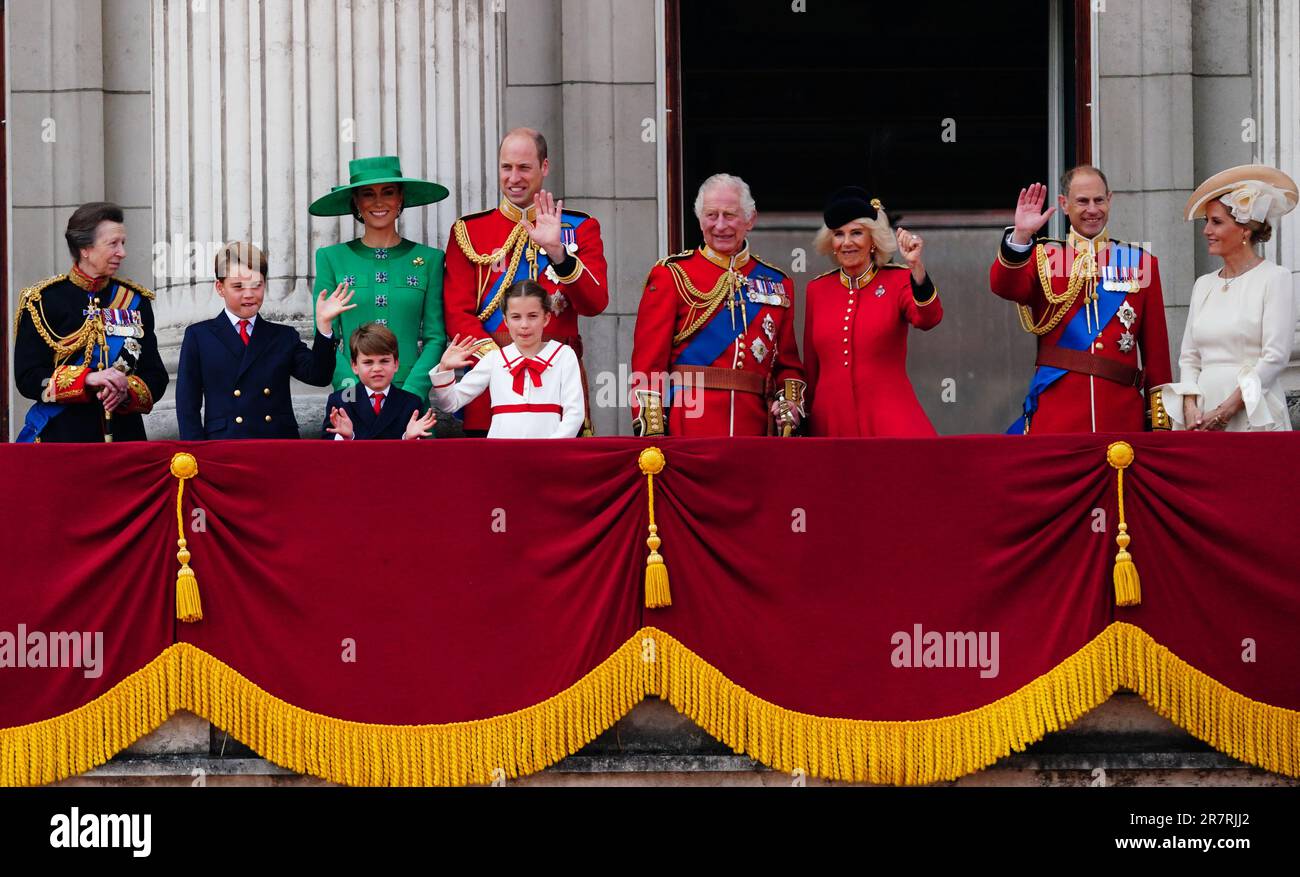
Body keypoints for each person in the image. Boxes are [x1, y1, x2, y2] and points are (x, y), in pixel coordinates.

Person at [442, 127, 608, 435]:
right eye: (507, 167)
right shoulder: (469, 232)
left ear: (544, 167)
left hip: (559, 382)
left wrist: (559, 253)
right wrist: (503, 363)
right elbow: (456, 313)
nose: (514, 177)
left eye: (524, 167)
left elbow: (596, 304)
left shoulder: (579, 227)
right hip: (491, 388)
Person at [989, 166, 1173, 433]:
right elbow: (1004, 286)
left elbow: (1156, 350)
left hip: (1121, 418)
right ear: (1064, 204)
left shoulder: (1140, 262)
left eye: (1099, 200)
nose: (1092, 209)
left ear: (1110, 200)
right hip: (1058, 418)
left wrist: (1158, 421)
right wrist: (1021, 237)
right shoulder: (1043, 257)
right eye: (1082, 201)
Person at [630, 173, 804, 436]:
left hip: (753, 429)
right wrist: (654, 433)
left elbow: (788, 365)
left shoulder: (778, 283)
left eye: (730, 215)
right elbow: (648, 364)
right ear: (700, 220)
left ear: (750, 219)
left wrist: (790, 407)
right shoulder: (672, 275)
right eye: (711, 215)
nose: (720, 225)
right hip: (688, 427)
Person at [13, 201, 168, 442]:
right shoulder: (43, 300)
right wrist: (86, 379)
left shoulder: (135, 301)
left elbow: (156, 376)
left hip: (124, 438)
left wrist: (125, 390)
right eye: (113, 244)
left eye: (123, 243)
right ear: (85, 248)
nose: (122, 252)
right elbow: (28, 378)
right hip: (64, 439)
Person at [1164, 164, 1298, 431]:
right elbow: (1189, 357)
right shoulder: (1204, 285)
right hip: (1203, 414)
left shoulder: (1275, 278)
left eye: (1216, 222)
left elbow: (1274, 357)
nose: (1206, 231)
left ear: (1244, 230)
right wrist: (1190, 407)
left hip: (1252, 410)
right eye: (1207, 222)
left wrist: (1226, 410)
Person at [309, 155, 450, 404]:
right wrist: (352, 393)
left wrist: (412, 393)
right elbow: (326, 335)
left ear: (400, 198)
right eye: (367, 194)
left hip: (410, 400)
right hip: (351, 403)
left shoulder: (430, 259)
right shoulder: (331, 258)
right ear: (356, 201)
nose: (378, 202)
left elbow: (435, 337)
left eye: (387, 192)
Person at [175, 242, 352, 439]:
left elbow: (319, 376)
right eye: (238, 286)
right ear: (220, 287)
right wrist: (195, 453)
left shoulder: (283, 336)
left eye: (257, 285)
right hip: (224, 446)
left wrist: (324, 326)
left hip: (277, 447)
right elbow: (187, 404)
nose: (249, 294)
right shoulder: (199, 336)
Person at [803, 187, 942, 436]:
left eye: (856, 233)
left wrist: (916, 267)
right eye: (838, 234)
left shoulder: (898, 279)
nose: (847, 242)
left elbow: (928, 319)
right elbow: (811, 368)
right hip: (830, 425)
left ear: (873, 240)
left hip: (889, 419)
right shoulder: (817, 289)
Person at [429, 280, 585, 438]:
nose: (524, 325)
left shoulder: (564, 355)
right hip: (500, 456)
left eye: (532, 316)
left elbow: (575, 413)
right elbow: (450, 403)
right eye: (516, 317)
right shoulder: (494, 359)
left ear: (546, 318)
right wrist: (445, 368)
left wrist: (551, 449)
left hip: (550, 455)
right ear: (506, 320)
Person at [322, 323, 449, 440]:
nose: (377, 368)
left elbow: (422, 457)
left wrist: (408, 439)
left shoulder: (411, 403)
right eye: (368, 362)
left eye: (384, 361)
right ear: (354, 366)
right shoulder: (340, 401)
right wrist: (348, 437)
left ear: (396, 364)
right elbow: (325, 452)